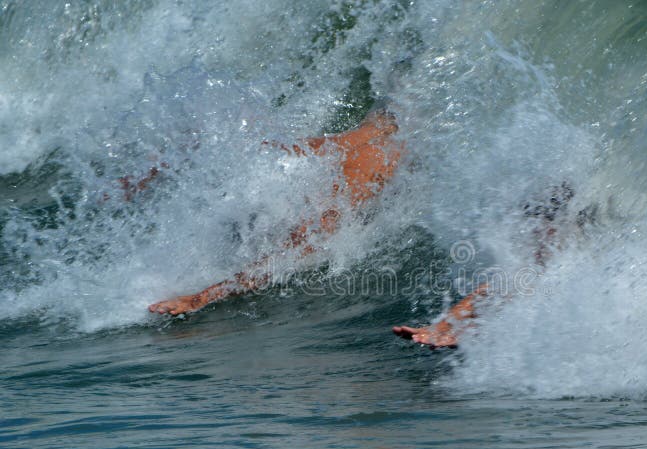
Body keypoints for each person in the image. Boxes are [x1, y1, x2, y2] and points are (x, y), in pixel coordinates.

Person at [148, 109, 403, 315]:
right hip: (383, 123)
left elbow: (279, 261)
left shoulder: (338, 199)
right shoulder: (306, 153)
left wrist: (200, 298)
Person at [393, 182, 585, 348]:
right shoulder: (543, 259)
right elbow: (498, 290)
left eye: (544, 230)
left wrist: (473, 331)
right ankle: (443, 329)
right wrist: (442, 325)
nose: (536, 239)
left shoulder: (583, 261)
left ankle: (471, 334)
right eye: (533, 229)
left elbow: (538, 307)